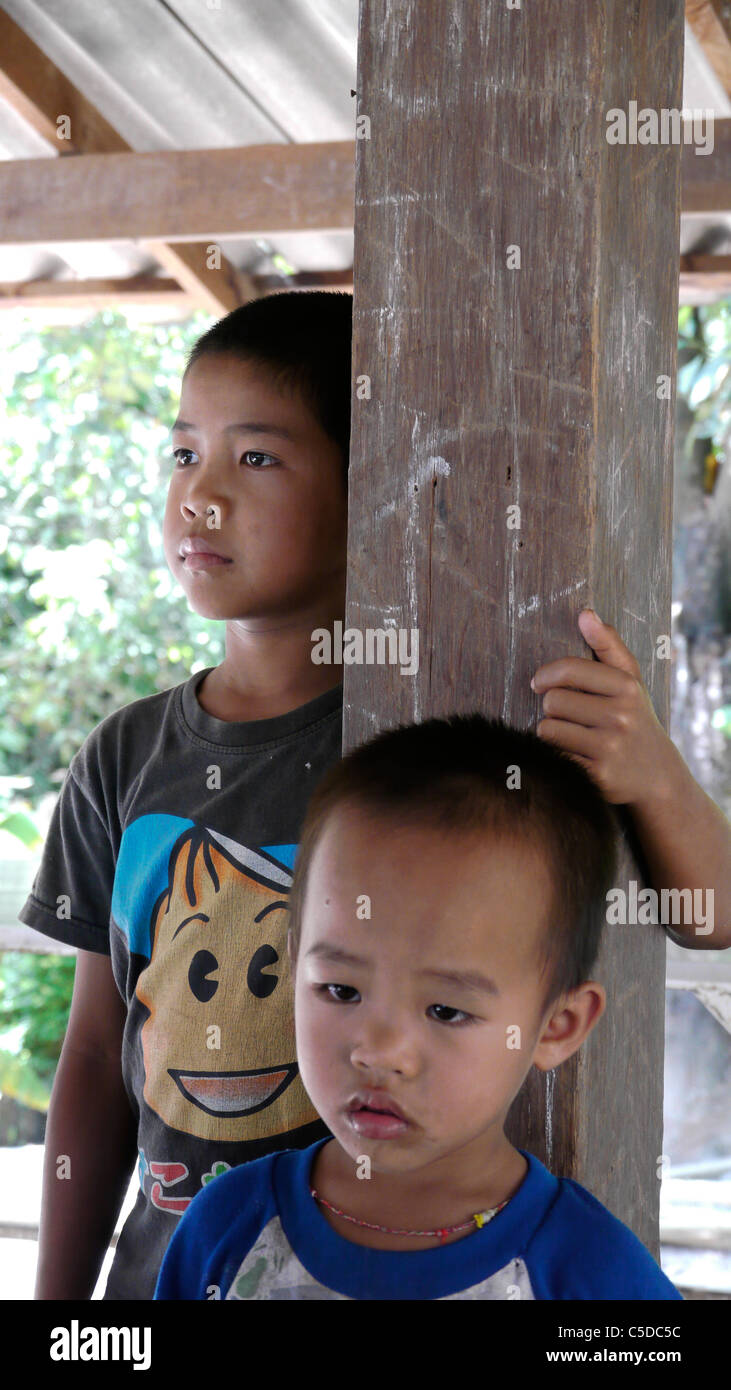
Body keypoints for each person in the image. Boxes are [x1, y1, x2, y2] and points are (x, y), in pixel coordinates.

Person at [20, 289, 728, 1301]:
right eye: (184, 453)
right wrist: (62, 1310)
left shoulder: (417, 752)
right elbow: (95, 1054)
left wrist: (649, 767)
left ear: (369, 489)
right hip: (180, 1270)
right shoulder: (126, 755)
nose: (200, 495)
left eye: (254, 457)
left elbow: (714, 916)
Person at [154, 713, 682, 1300]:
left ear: (557, 1026)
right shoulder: (228, 1228)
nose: (378, 1052)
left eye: (446, 1011)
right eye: (340, 990)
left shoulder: (591, 1275)